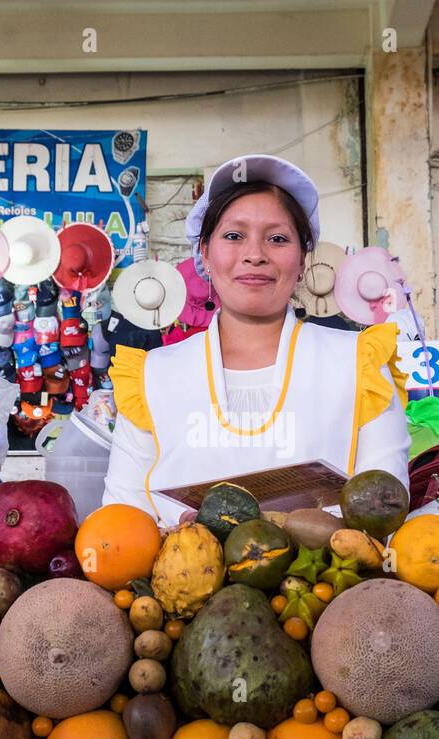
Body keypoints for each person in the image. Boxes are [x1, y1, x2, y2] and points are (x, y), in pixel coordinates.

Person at [102, 154, 410, 525]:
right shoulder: (152, 376)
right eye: (234, 236)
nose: (254, 255)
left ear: (302, 260)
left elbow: (384, 514)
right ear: (204, 252)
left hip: (334, 581)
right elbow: (119, 526)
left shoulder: (359, 366)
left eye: (277, 239)